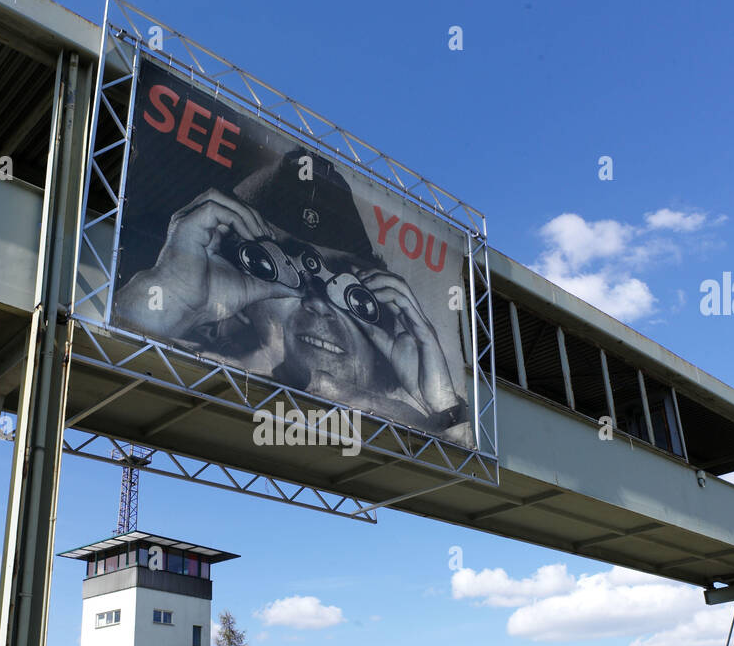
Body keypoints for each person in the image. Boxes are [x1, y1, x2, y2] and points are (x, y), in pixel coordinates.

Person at [114, 148, 470, 439]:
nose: (317, 302)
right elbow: (110, 366)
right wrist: (172, 300)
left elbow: (463, 469)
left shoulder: (406, 410)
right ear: (242, 293)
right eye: (285, 268)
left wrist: (439, 407)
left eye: (342, 284)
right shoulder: (191, 368)